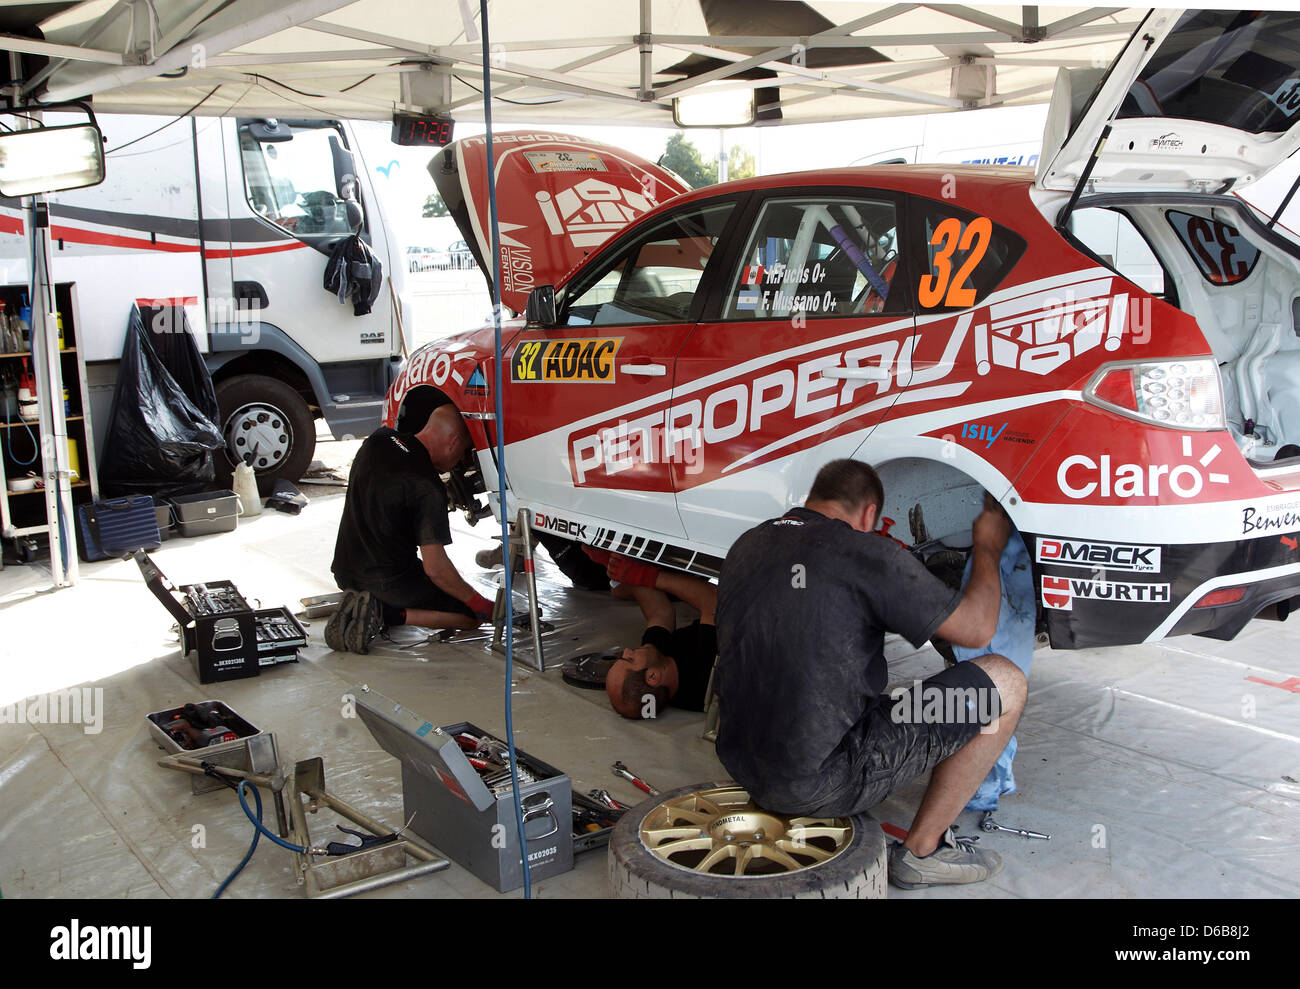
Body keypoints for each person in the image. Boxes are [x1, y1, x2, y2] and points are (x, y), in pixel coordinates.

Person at [714, 458, 1029, 890]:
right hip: (821, 780)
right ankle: (924, 851)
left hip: (742, 764)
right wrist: (988, 547)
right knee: (1006, 680)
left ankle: (794, 782)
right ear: (868, 514)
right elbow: (976, 629)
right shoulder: (867, 553)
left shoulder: (747, 544)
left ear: (812, 499)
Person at [326, 404, 495, 653]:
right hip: (388, 582)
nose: (460, 460)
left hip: (345, 571)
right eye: (462, 452)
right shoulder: (427, 485)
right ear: (453, 442)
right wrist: (478, 602)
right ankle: (384, 613)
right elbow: (436, 568)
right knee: (469, 617)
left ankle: (363, 603)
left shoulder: (378, 439)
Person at [582, 549, 719, 720]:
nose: (627, 651)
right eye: (629, 659)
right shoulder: (703, 678)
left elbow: (659, 614)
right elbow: (716, 602)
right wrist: (646, 575)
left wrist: (619, 568)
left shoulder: (659, 664)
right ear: (653, 676)